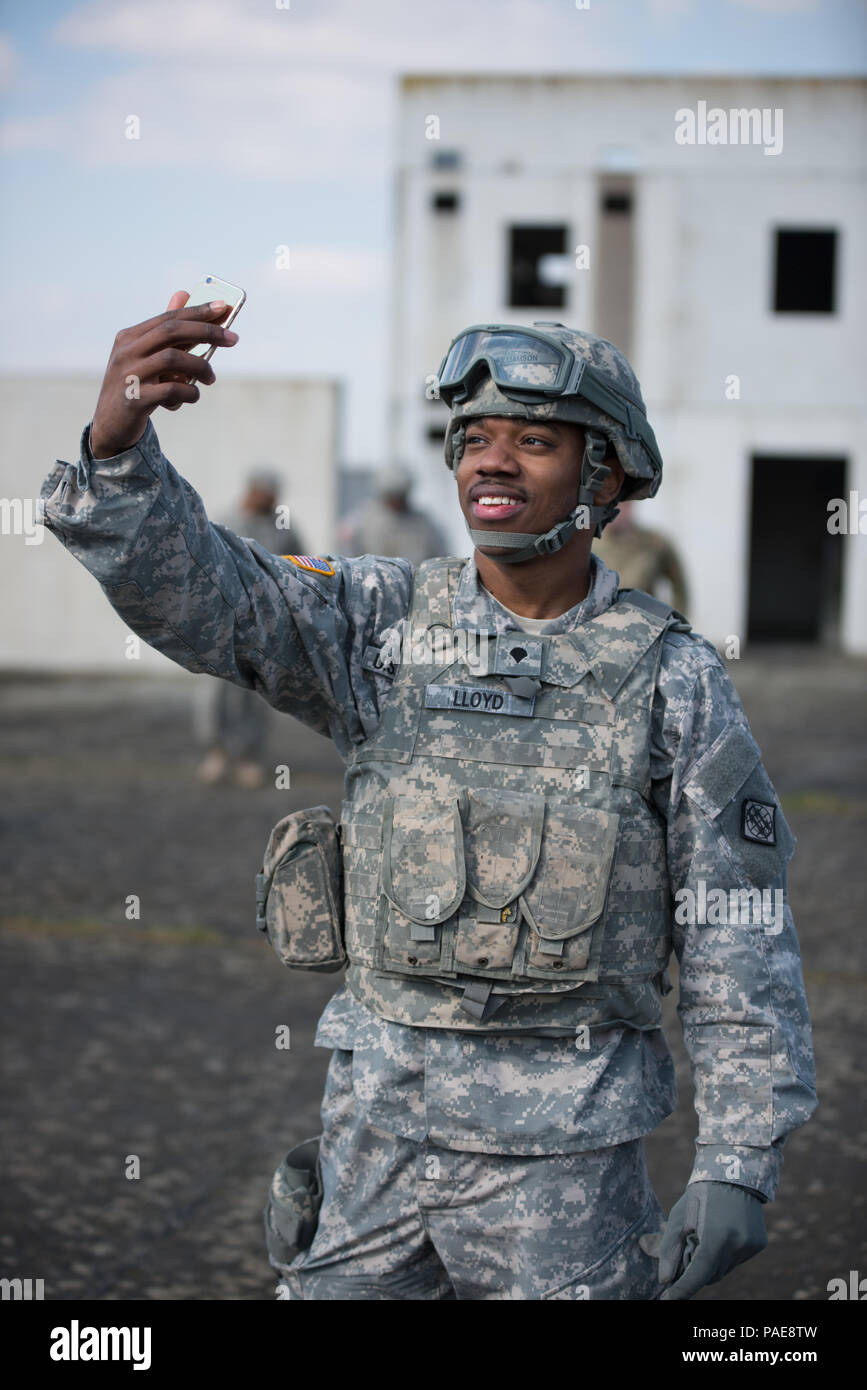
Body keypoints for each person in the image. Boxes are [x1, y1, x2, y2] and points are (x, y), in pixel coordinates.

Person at [40, 294, 817, 1301]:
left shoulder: (671, 678)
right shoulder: (378, 621)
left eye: (534, 440)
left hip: (563, 1183)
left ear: (608, 474)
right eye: (474, 438)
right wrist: (118, 446)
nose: (491, 461)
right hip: (373, 1154)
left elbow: (736, 928)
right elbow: (205, 595)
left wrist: (740, 1159)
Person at [197, 469, 306, 788]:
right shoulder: (223, 521)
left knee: (256, 693)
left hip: (264, 624)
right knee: (215, 692)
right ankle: (216, 752)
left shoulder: (283, 527)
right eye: (269, 493)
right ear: (253, 491)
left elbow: (301, 565)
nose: (274, 500)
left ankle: (248, 756)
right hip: (221, 620)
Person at [337, 461, 447, 564]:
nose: (396, 502)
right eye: (392, 496)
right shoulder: (361, 522)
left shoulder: (424, 525)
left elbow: (441, 560)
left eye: (400, 496)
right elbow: (347, 561)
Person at [594, 499, 690, 615]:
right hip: (599, 626)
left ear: (630, 504)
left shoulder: (654, 543)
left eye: (620, 504)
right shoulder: (589, 545)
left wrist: (672, 623)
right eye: (608, 505)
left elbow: (680, 589)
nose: (614, 511)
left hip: (643, 624)